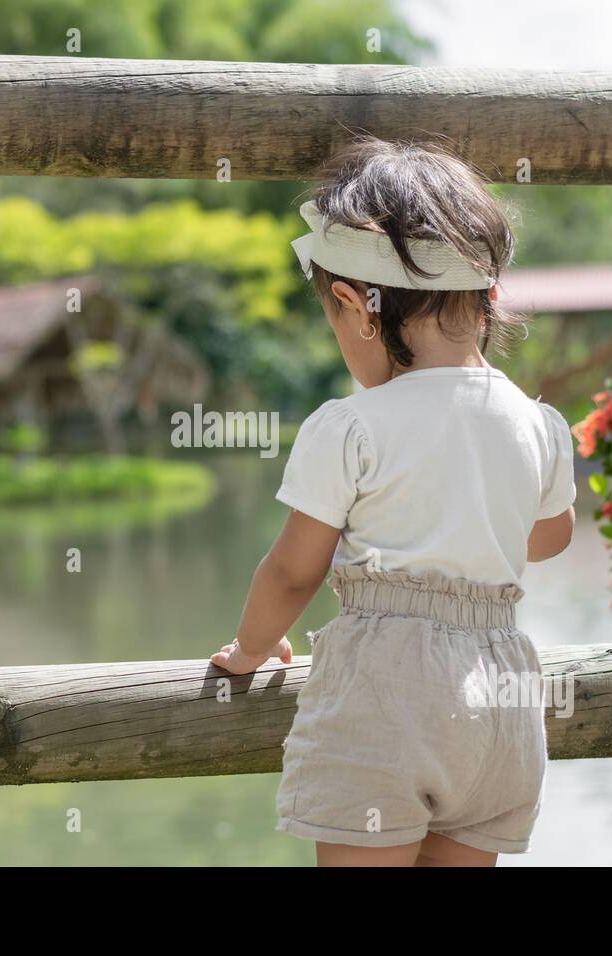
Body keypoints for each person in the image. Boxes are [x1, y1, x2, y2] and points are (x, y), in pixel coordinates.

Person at [209, 137, 577, 867]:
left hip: (386, 703)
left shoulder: (349, 426)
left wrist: (252, 648)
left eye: (335, 320)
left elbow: (293, 572)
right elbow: (551, 537)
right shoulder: (539, 423)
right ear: (488, 300)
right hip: (500, 704)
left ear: (356, 306)